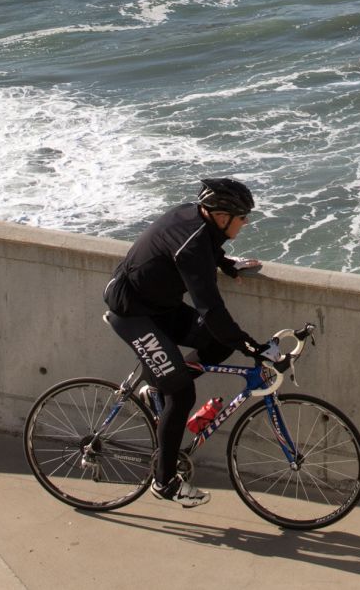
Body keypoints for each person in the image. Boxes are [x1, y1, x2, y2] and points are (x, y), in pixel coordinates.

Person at [103, 177, 265, 507]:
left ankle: (156, 389)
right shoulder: (192, 244)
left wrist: (226, 263)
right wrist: (253, 347)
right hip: (133, 314)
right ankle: (164, 483)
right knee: (182, 392)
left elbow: (205, 248)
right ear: (222, 217)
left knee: (217, 344)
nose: (246, 222)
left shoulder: (194, 216)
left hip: (159, 307)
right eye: (242, 216)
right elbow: (211, 309)